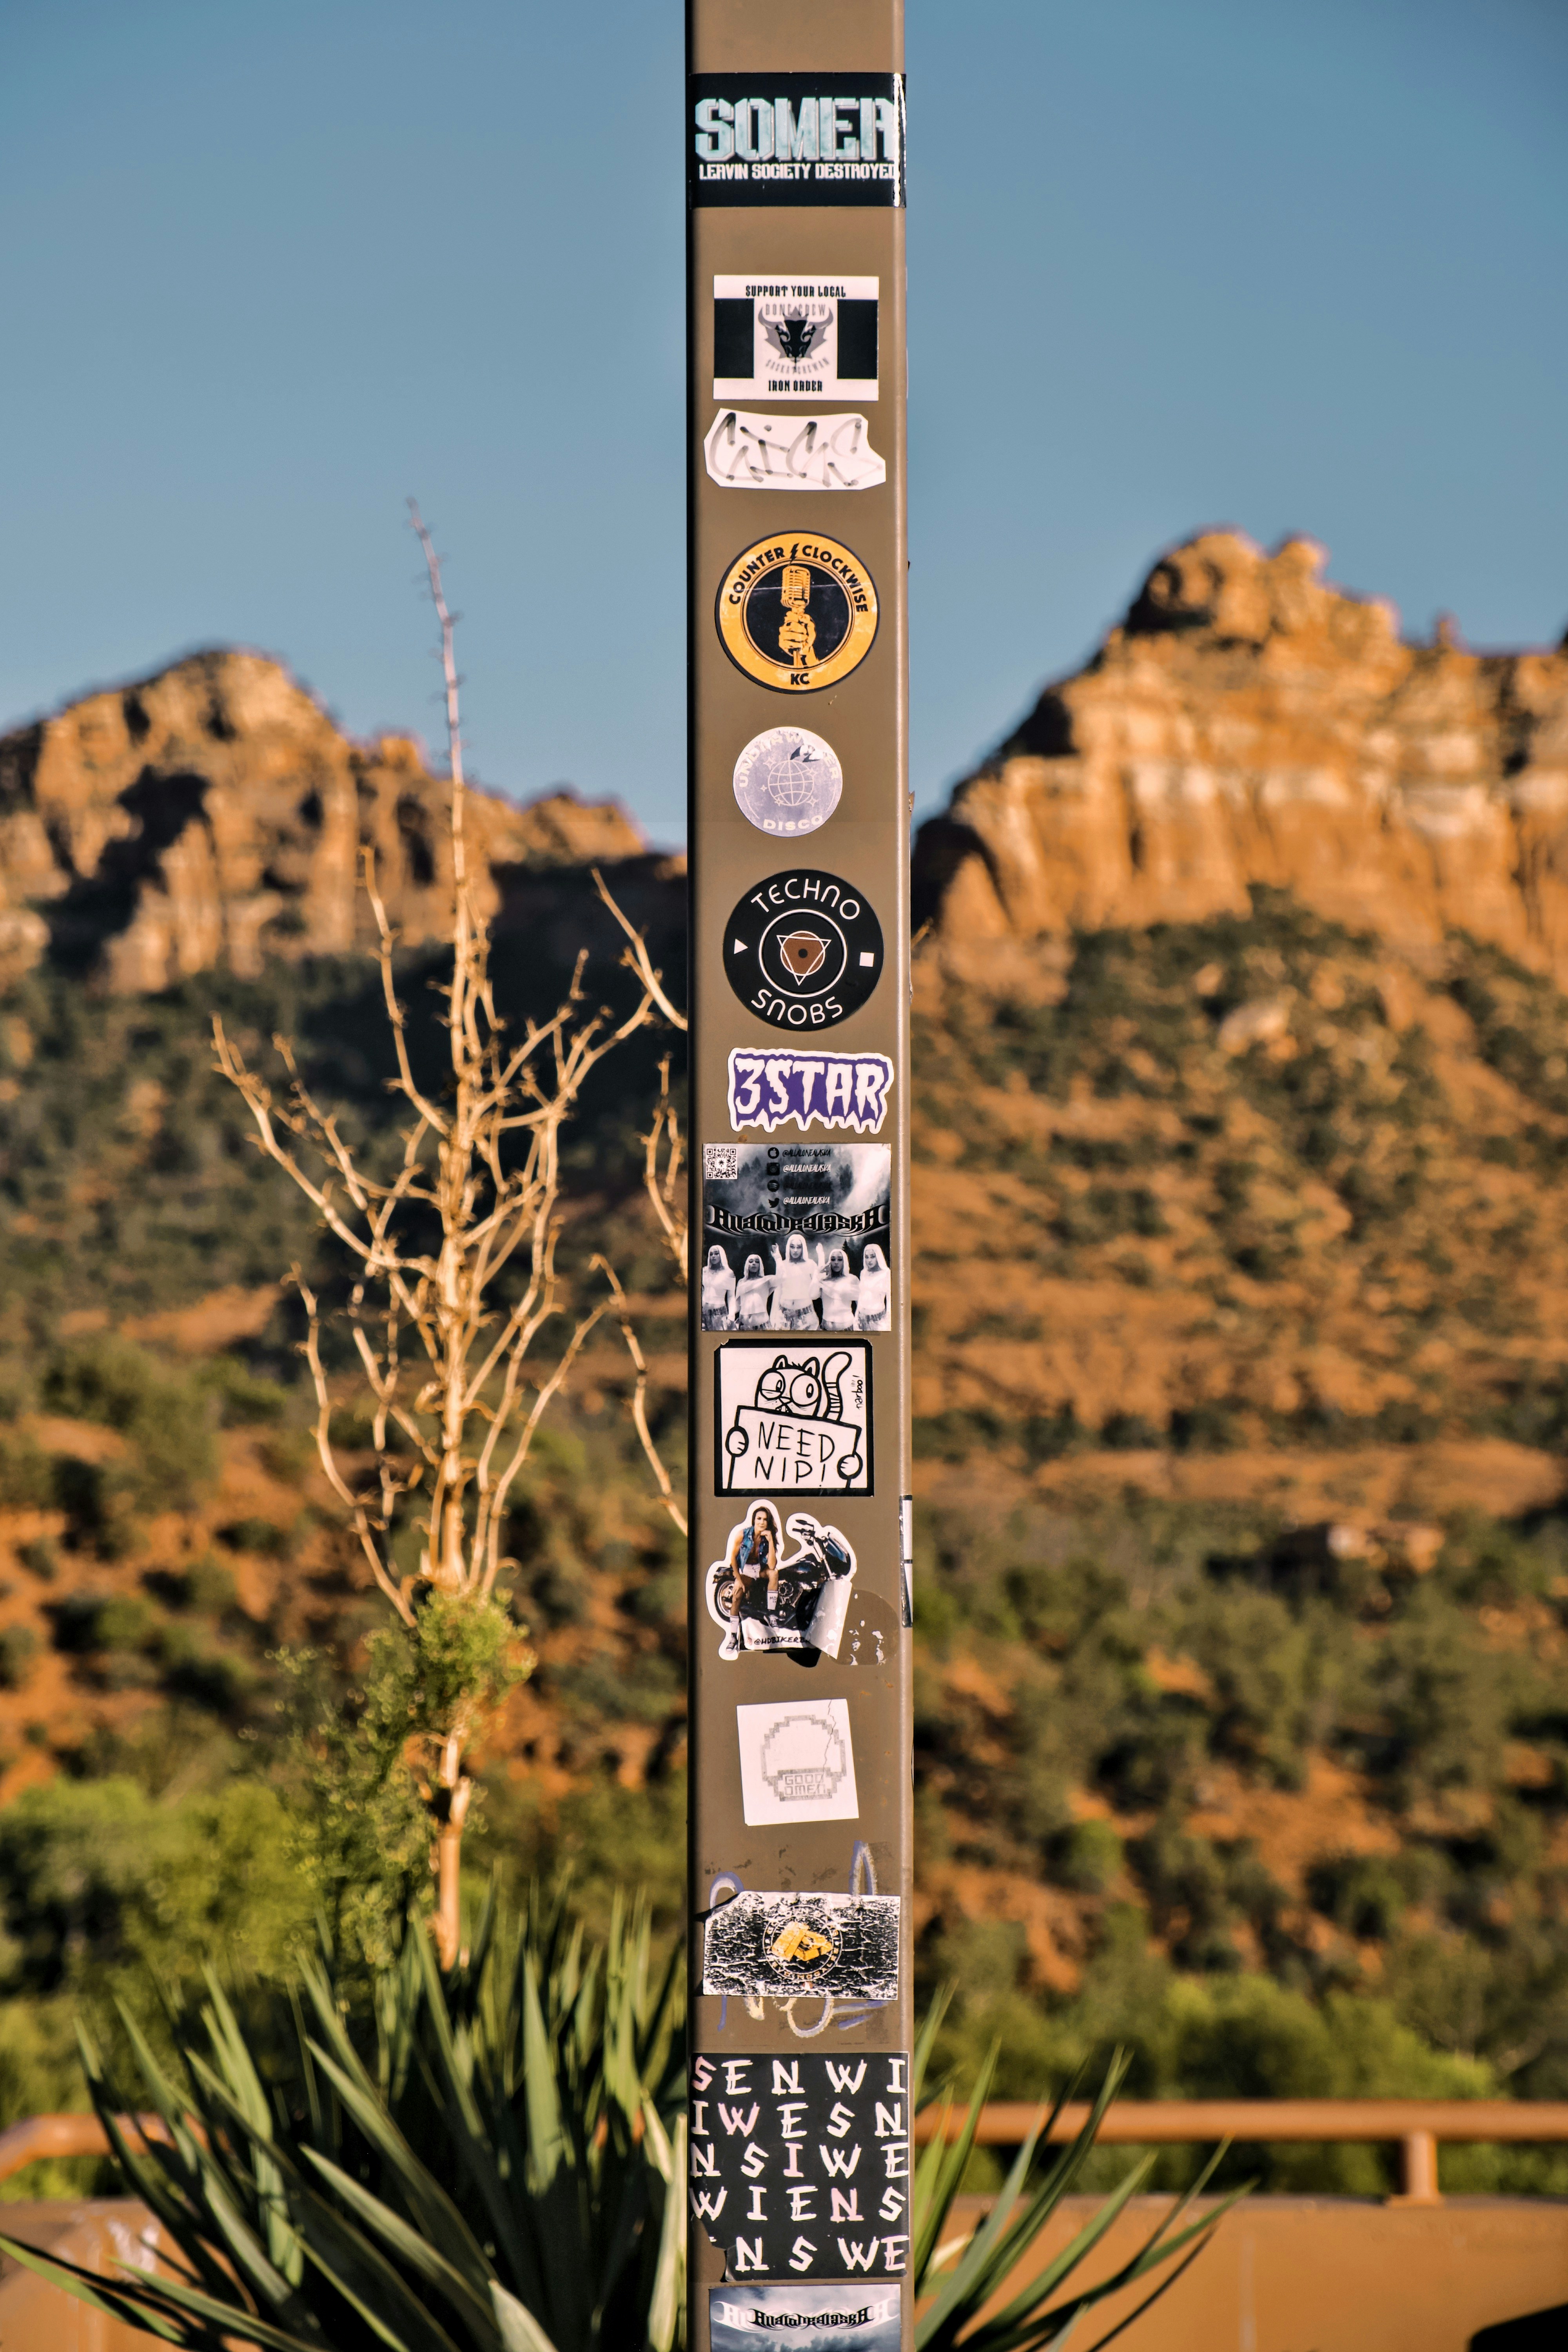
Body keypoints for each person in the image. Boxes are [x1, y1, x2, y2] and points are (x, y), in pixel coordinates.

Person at [722, 1502, 783, 1654]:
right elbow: (733, 1558)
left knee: (774, 1574)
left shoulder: (769, 1537)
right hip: (746, 1571)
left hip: (760, 1570)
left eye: (765, 1520)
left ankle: (771, 1613)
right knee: (736, 1597)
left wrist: (770, 1542)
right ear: (754, 1520)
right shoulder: (743, 1534)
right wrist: (738, 1578)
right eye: (759, 1519)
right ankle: (733, 1636)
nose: (762, 1522)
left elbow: (772, 1565)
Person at [770, 1233, 823, 1329]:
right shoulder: (783, 1265)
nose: (795, 1251)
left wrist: (821, 1257)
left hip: (806, 1317)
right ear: (788, 1248)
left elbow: (817, 1290)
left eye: (799, 1247)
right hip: (783, 1317)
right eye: (792, 1247)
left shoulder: (811, 1264)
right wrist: (772, 1319)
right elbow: (778, 1292)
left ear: (803, 1249)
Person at [819, 1245, 860, 1330]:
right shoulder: (824, 1280)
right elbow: (813, 1295)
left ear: (844, 1261)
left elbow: (860, 1305)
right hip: (825, 1329)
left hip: (847, 1328)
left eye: (840, 1259)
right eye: (833, 1260)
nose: (836, 1262)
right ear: (830, 1262)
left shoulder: (852, 1279)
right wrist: (819, 1272)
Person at [734, 1251, 774, 1330]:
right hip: (743, 1326)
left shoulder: (766, 1281)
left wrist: (777, 1257)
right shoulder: (741, 1282)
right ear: (747, 1265)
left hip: (762, 1326)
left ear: (760, 1265)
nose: (754, 1264)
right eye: (751, 1261)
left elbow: (782, 1277)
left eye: (757, 1262)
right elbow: (737, 1305)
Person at [856, 1241, 891, 1330]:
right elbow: (861, 1296)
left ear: (878, 1257)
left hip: (879, 1321)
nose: (869, 1260)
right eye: (867, 1257)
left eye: (872, 1257)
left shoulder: (886, 1273)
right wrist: (857, 1317)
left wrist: (888, 1322)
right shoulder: (863, 1273)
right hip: (862, 1320)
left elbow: (890, 1299)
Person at [701, 1243, 736, 1330]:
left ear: (722, 1255)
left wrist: (732, 1316)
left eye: (716, 1254)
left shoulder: (729, 1273)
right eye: (711, 1254)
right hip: (703, 1312)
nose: (713, 1256)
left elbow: (731, 1297)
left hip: (719, 1314)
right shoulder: (704, 1271)